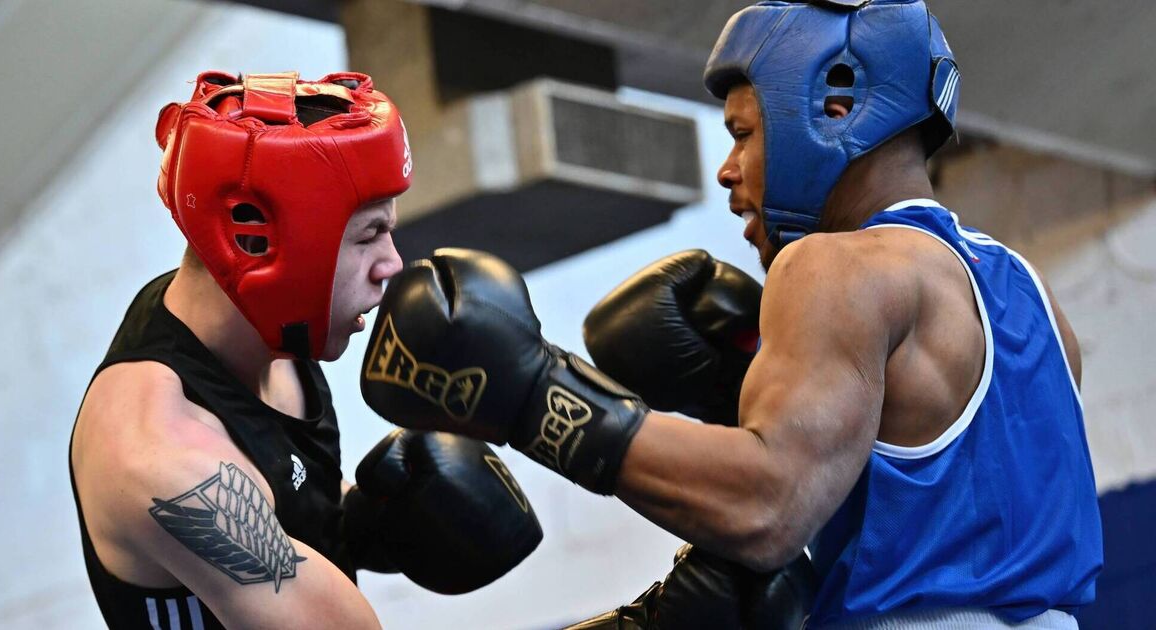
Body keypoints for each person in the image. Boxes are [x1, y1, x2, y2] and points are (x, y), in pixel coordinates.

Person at [358, 1, 1103, 627]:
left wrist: (533, 394)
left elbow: (770, 507)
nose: (726, 170)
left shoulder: (834, 266)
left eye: (743, 133)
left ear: (833, 109)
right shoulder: (1032, 295)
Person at [69, 71, 541, 629]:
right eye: (367, 235)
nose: (392, 263)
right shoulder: (167, 460)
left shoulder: (248, 319)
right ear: (260, 248)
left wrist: (368, 523)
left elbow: (277, 477)